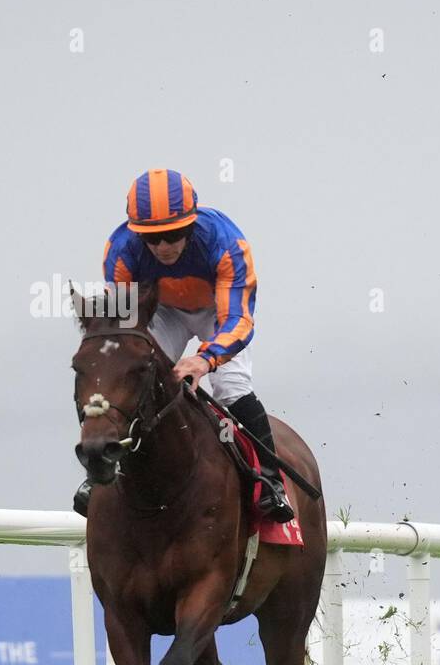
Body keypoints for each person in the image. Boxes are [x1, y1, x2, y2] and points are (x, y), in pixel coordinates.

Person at [74, 168, 294, 521]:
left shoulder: (227, 244)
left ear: (191, 225)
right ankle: (101, 474)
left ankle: (270, 481)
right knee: (125, 377)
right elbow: (122, 326)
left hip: (216, 312)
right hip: (162, 311)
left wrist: (204, 360)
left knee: (231, 387)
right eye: (152, 238)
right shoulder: (120, 252)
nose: (162, 247)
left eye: (174, 234)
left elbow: (238, 320)